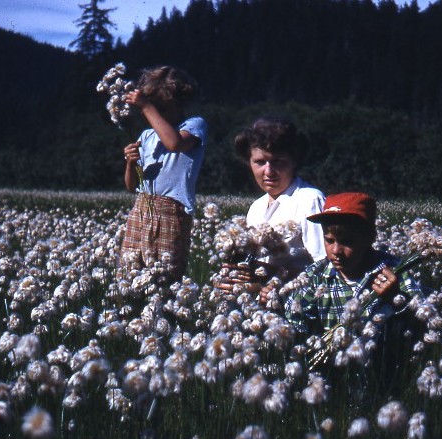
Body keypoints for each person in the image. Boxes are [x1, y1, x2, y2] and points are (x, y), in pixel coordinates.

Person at [284, 192, 425, 337]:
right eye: (329, 241)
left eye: (347, 242)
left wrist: (395, 298)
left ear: (370, 238)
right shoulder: (316, 275)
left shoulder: (394, 272)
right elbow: (293, 320)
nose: (336, 251)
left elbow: (423, 323)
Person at [215, 117, 325, 298]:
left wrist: (270, 278)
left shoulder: (310, 199)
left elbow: (326, 267)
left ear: (294, 161)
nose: (268, 171)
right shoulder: (256, 208)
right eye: (260, 162)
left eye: (278, 161)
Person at [118, 65, 207, 282]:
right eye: (153, 109)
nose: (155, 115)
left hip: (171, 212)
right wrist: (130, 164)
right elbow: (132, 187)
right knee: (129, 275)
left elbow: (174, 143)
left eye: (161, 109)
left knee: (164, 277)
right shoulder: (147, 135)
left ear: (180, 103)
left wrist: (147, 107)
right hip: (141, 209)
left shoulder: (194, 125)